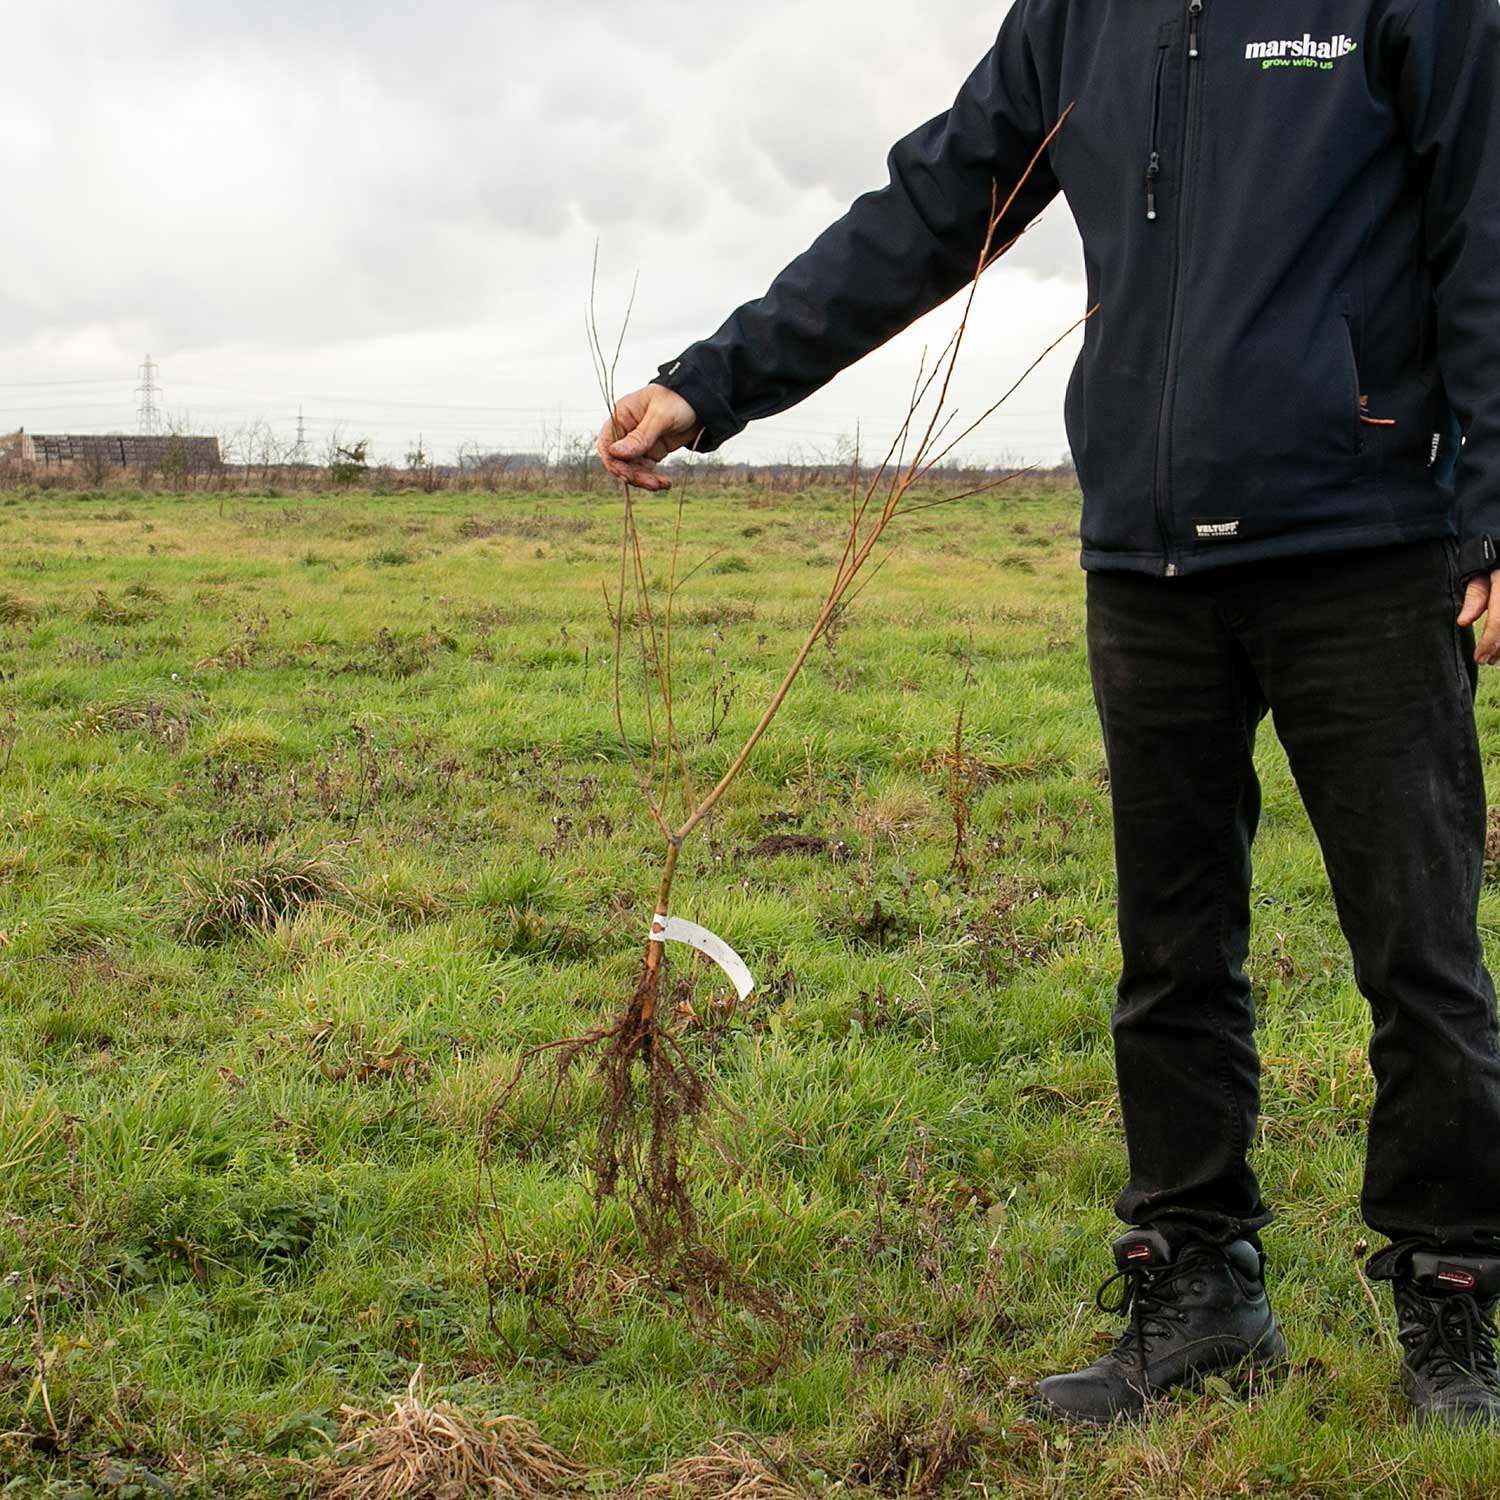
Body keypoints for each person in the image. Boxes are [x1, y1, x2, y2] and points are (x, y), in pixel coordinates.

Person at [597, 0, 1500, 1428]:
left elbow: (1486, 242)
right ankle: (1197, 1286)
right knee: (1171, 955)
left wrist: (1493, 514)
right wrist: (711, 384)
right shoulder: (1079, 15)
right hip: (1147, 560)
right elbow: (930, 208)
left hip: (1368, 546)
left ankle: (1453, 1296)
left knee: (1421, 954)